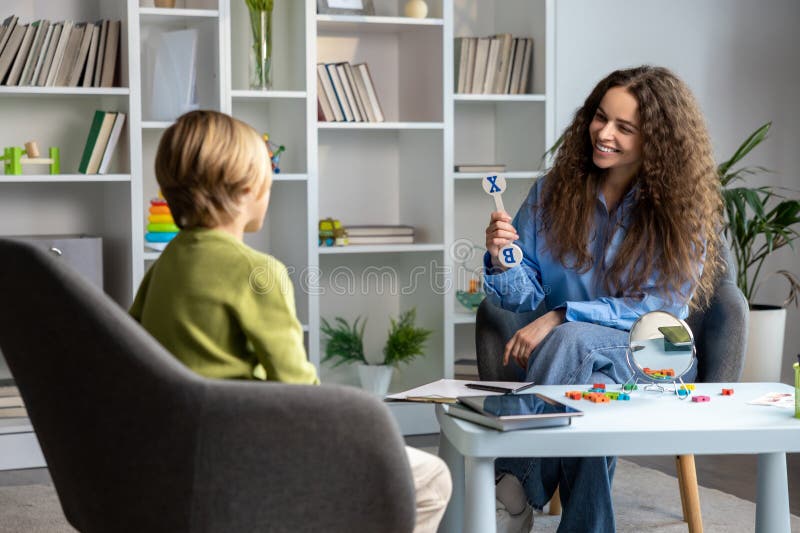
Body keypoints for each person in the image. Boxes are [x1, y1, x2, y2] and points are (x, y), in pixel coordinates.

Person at [129, 110, 452, 533]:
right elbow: (297, 388)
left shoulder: (162, 266)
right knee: (430, 479)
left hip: (181, 452)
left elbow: (133, 352)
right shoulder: (258, 271)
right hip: (254, 450)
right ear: (248, 189)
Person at [483, 66, 723, 532]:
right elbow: (522, 295)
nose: (604, 133)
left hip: (656, 350)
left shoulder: (680, 210)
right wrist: (503, 259)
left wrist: (559, 315)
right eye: (600, 117)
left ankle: (520, 477)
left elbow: (660, 309)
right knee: (587, 385)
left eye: (624, 127)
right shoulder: (553, 192)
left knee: (571, 341)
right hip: (575, 360)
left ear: (656, 139)